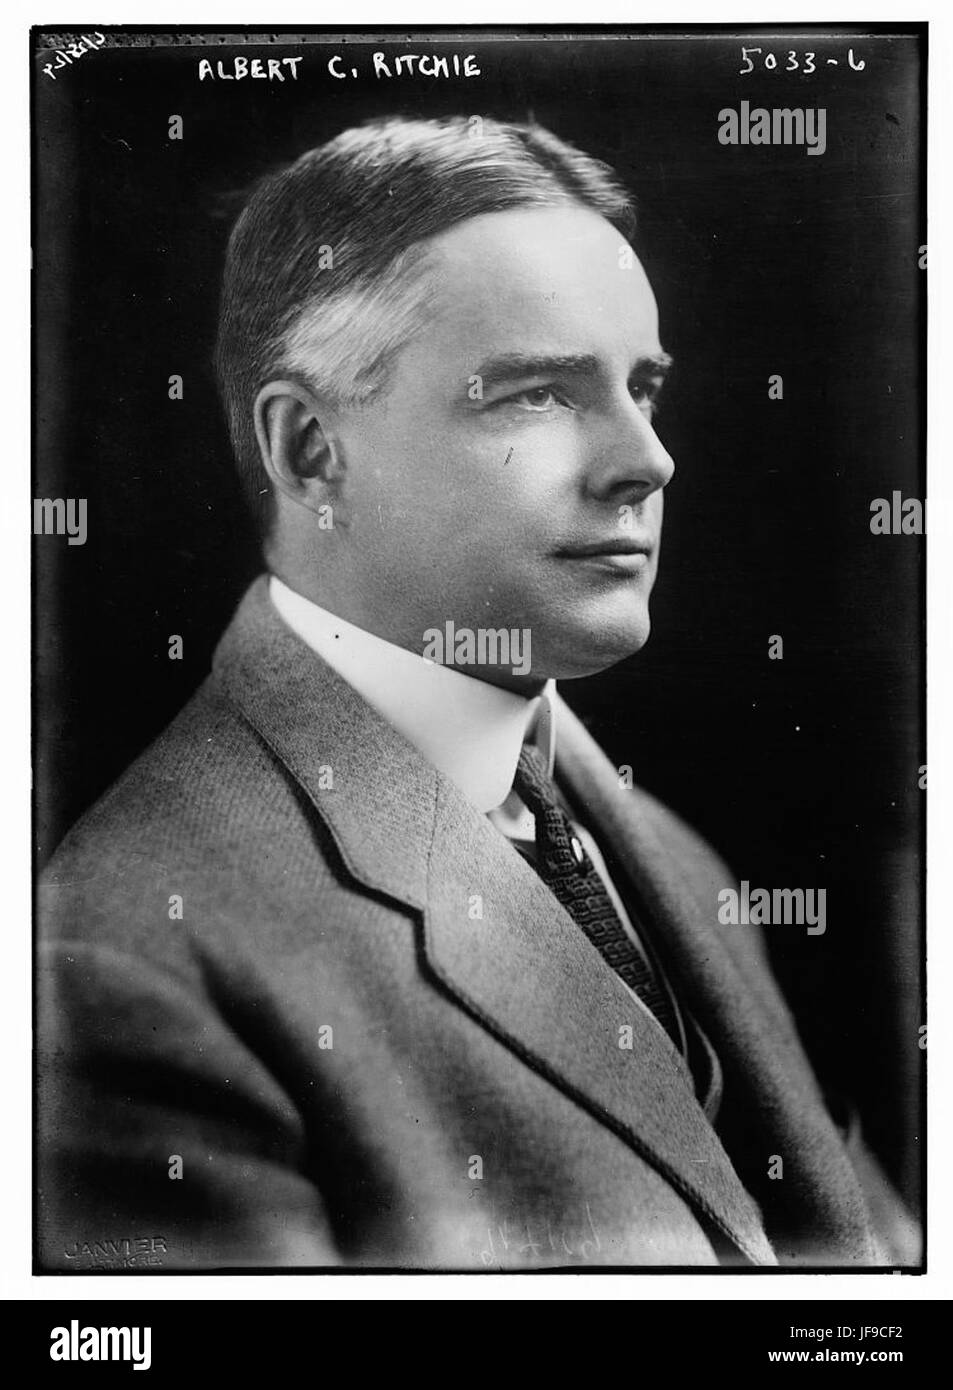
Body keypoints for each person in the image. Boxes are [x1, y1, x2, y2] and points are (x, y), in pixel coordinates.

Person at [37, 115, 918, 1270]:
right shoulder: (124, 964)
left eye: (640, 385)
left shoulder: (658, 852)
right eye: (535, 395)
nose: (647, 458)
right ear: (310, 453)